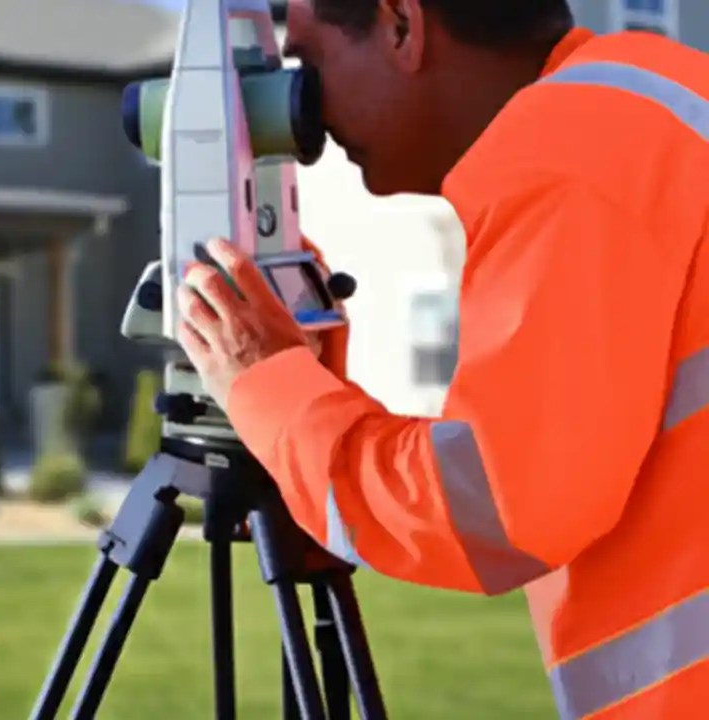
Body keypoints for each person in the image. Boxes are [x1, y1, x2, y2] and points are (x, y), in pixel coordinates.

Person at [173, 1, 709, 718]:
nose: (307, 120)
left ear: (402, 24)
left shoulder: (568, 153)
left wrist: (273, 395)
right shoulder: (656, 96)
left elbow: (496, 508)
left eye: (309, 64)